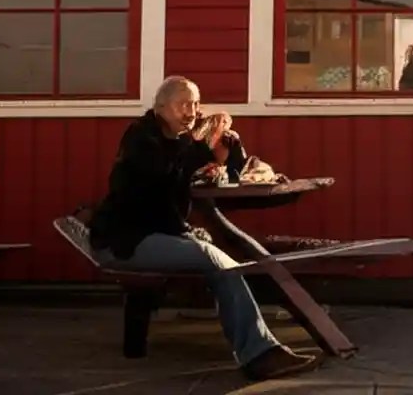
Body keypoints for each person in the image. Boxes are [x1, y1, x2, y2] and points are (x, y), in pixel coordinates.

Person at [87, 75, 319, 380]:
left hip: (156, 234)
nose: (192, 111)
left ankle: (259, 349)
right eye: (184, 104)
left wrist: (227, 148)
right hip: (124, 242)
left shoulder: (179, 140)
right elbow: (156, 187)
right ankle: (258, 355)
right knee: (216, 260)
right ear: (161, 107)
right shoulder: (141, 138)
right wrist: (200, 149)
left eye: (196, 104)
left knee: (217, 255)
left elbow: (232, 170)